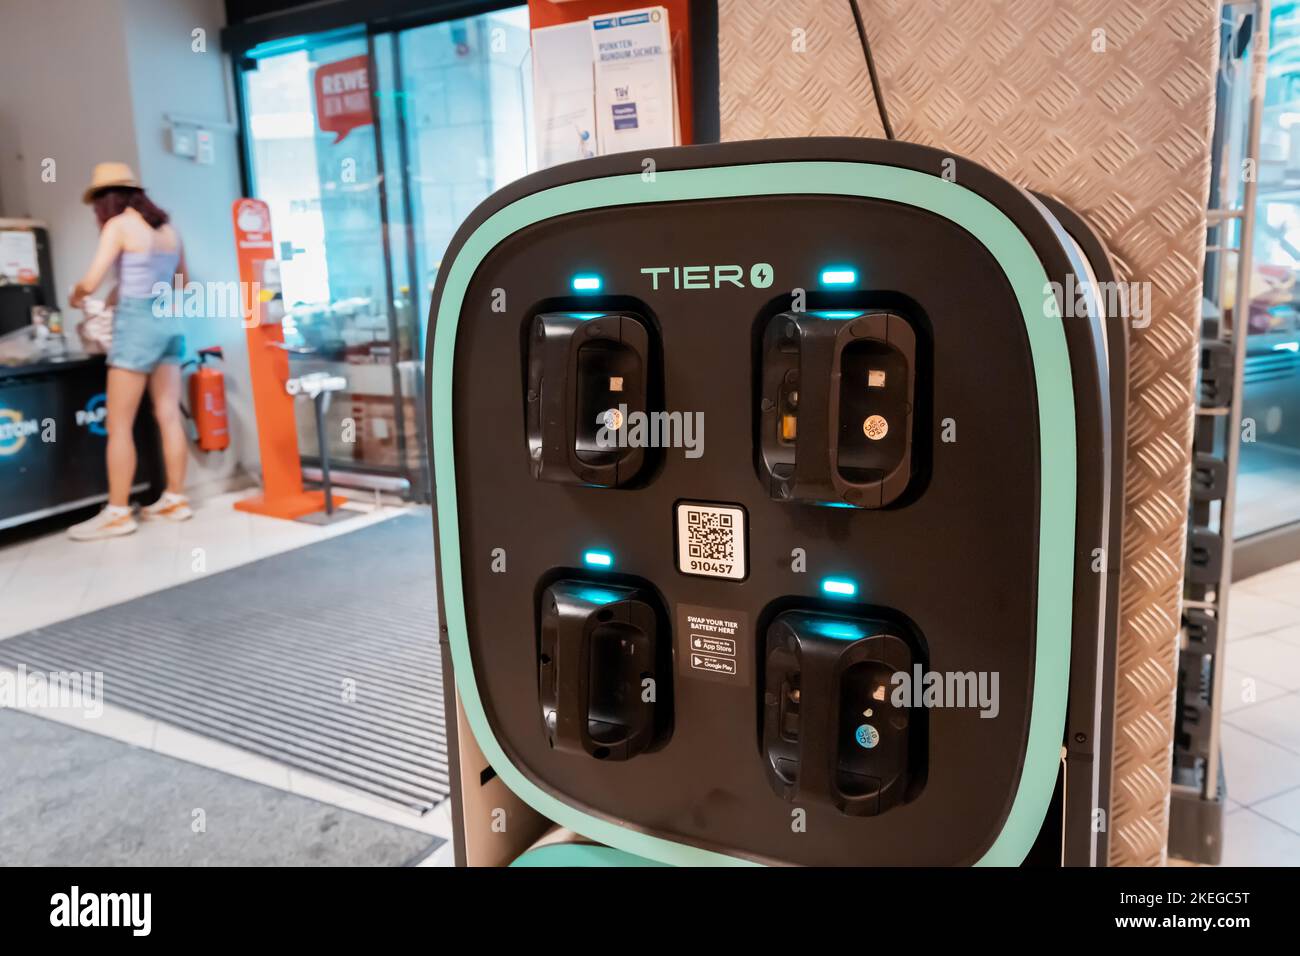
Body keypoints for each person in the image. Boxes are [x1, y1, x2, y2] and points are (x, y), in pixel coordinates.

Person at [66, 162, 193, 540]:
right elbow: (181, 281)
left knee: (118, 423)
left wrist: (78, 295)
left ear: (105, 200)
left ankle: (118, 512)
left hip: (136, 326)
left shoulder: (118, 226)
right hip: (169, 319)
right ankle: (175, 499)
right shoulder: (167, 229)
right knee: (168, 414)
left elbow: (90, 280)